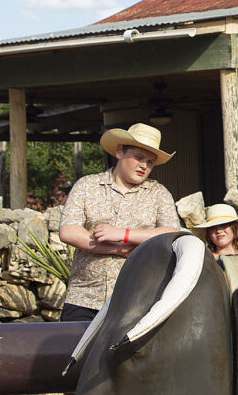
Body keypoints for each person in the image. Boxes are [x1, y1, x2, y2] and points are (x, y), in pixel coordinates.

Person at [57, 123, 183, 322]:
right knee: (74, 352)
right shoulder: (87, 186)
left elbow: (172, 232)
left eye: (150, 162)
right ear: (119, 152)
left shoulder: (158, 194)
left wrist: (124, 234)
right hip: (85, 297)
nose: (144, 166)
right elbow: (68, 231)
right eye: (139, 158)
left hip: (138, 300)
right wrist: (117, 249)